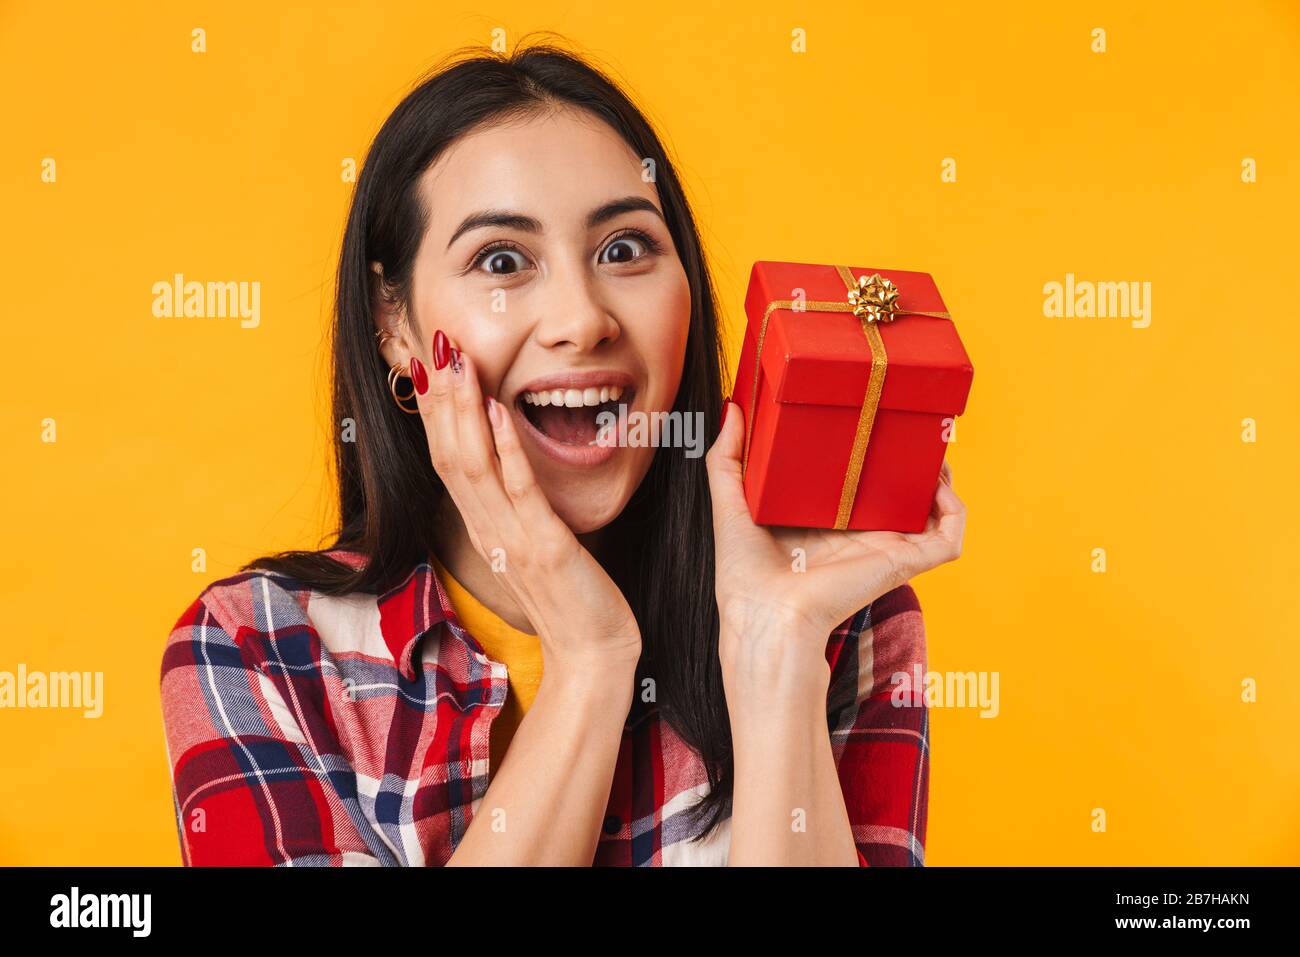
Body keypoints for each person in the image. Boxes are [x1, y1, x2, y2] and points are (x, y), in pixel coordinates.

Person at [159, 39, 964, 867]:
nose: (582, 318)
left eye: (625, 249)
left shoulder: (835, 617)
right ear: (393, 323)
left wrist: (775, 648)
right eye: (502, 260)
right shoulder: (257, 648)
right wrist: (589, 659)